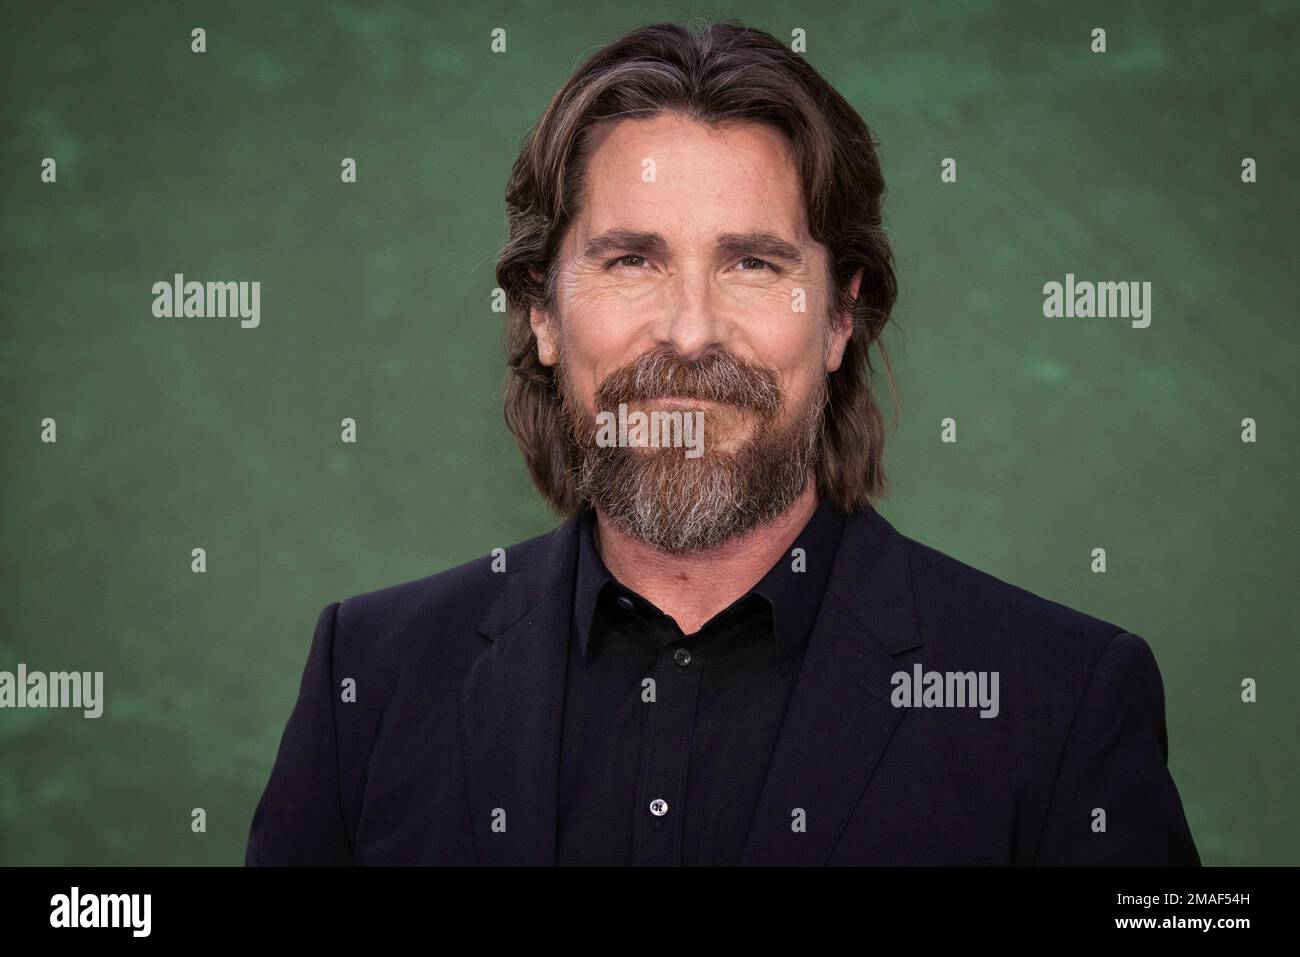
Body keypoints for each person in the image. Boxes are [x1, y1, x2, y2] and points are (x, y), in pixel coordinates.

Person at [246, 19, 1199, 866]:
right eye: (631, 260)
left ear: (840, 319)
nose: (691, 331)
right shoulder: (366, 679)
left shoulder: (1059, 701)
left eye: (752, 263)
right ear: (542, 311)